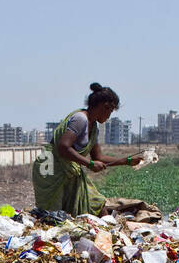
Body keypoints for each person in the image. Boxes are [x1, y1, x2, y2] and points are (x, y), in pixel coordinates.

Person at [33, 83, 139, 216]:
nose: (108, 117)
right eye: (110, 112)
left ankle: (111, 232)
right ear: (104, 106)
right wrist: (89, 164)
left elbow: (98, 157)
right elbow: (63, 147)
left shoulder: (93, 127)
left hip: (68, 170)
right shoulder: (80, 119)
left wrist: (128, 161)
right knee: (54, 215)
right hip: (49, 168)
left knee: (96, 203)